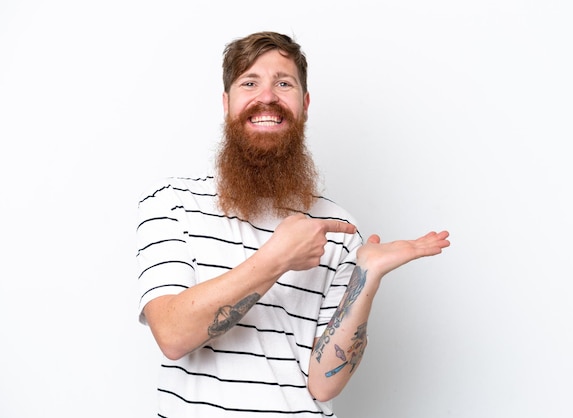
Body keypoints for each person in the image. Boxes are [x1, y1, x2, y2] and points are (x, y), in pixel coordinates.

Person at [136, 31, 450, 417]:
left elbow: (324, 383)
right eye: (249, 83)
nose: (267, 97)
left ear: (304, 104)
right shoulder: (173, 205)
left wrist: (367, 277)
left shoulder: (337, 227)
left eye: (283, 83)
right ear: (226, 103)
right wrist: (279, 256)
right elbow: (171, 335)